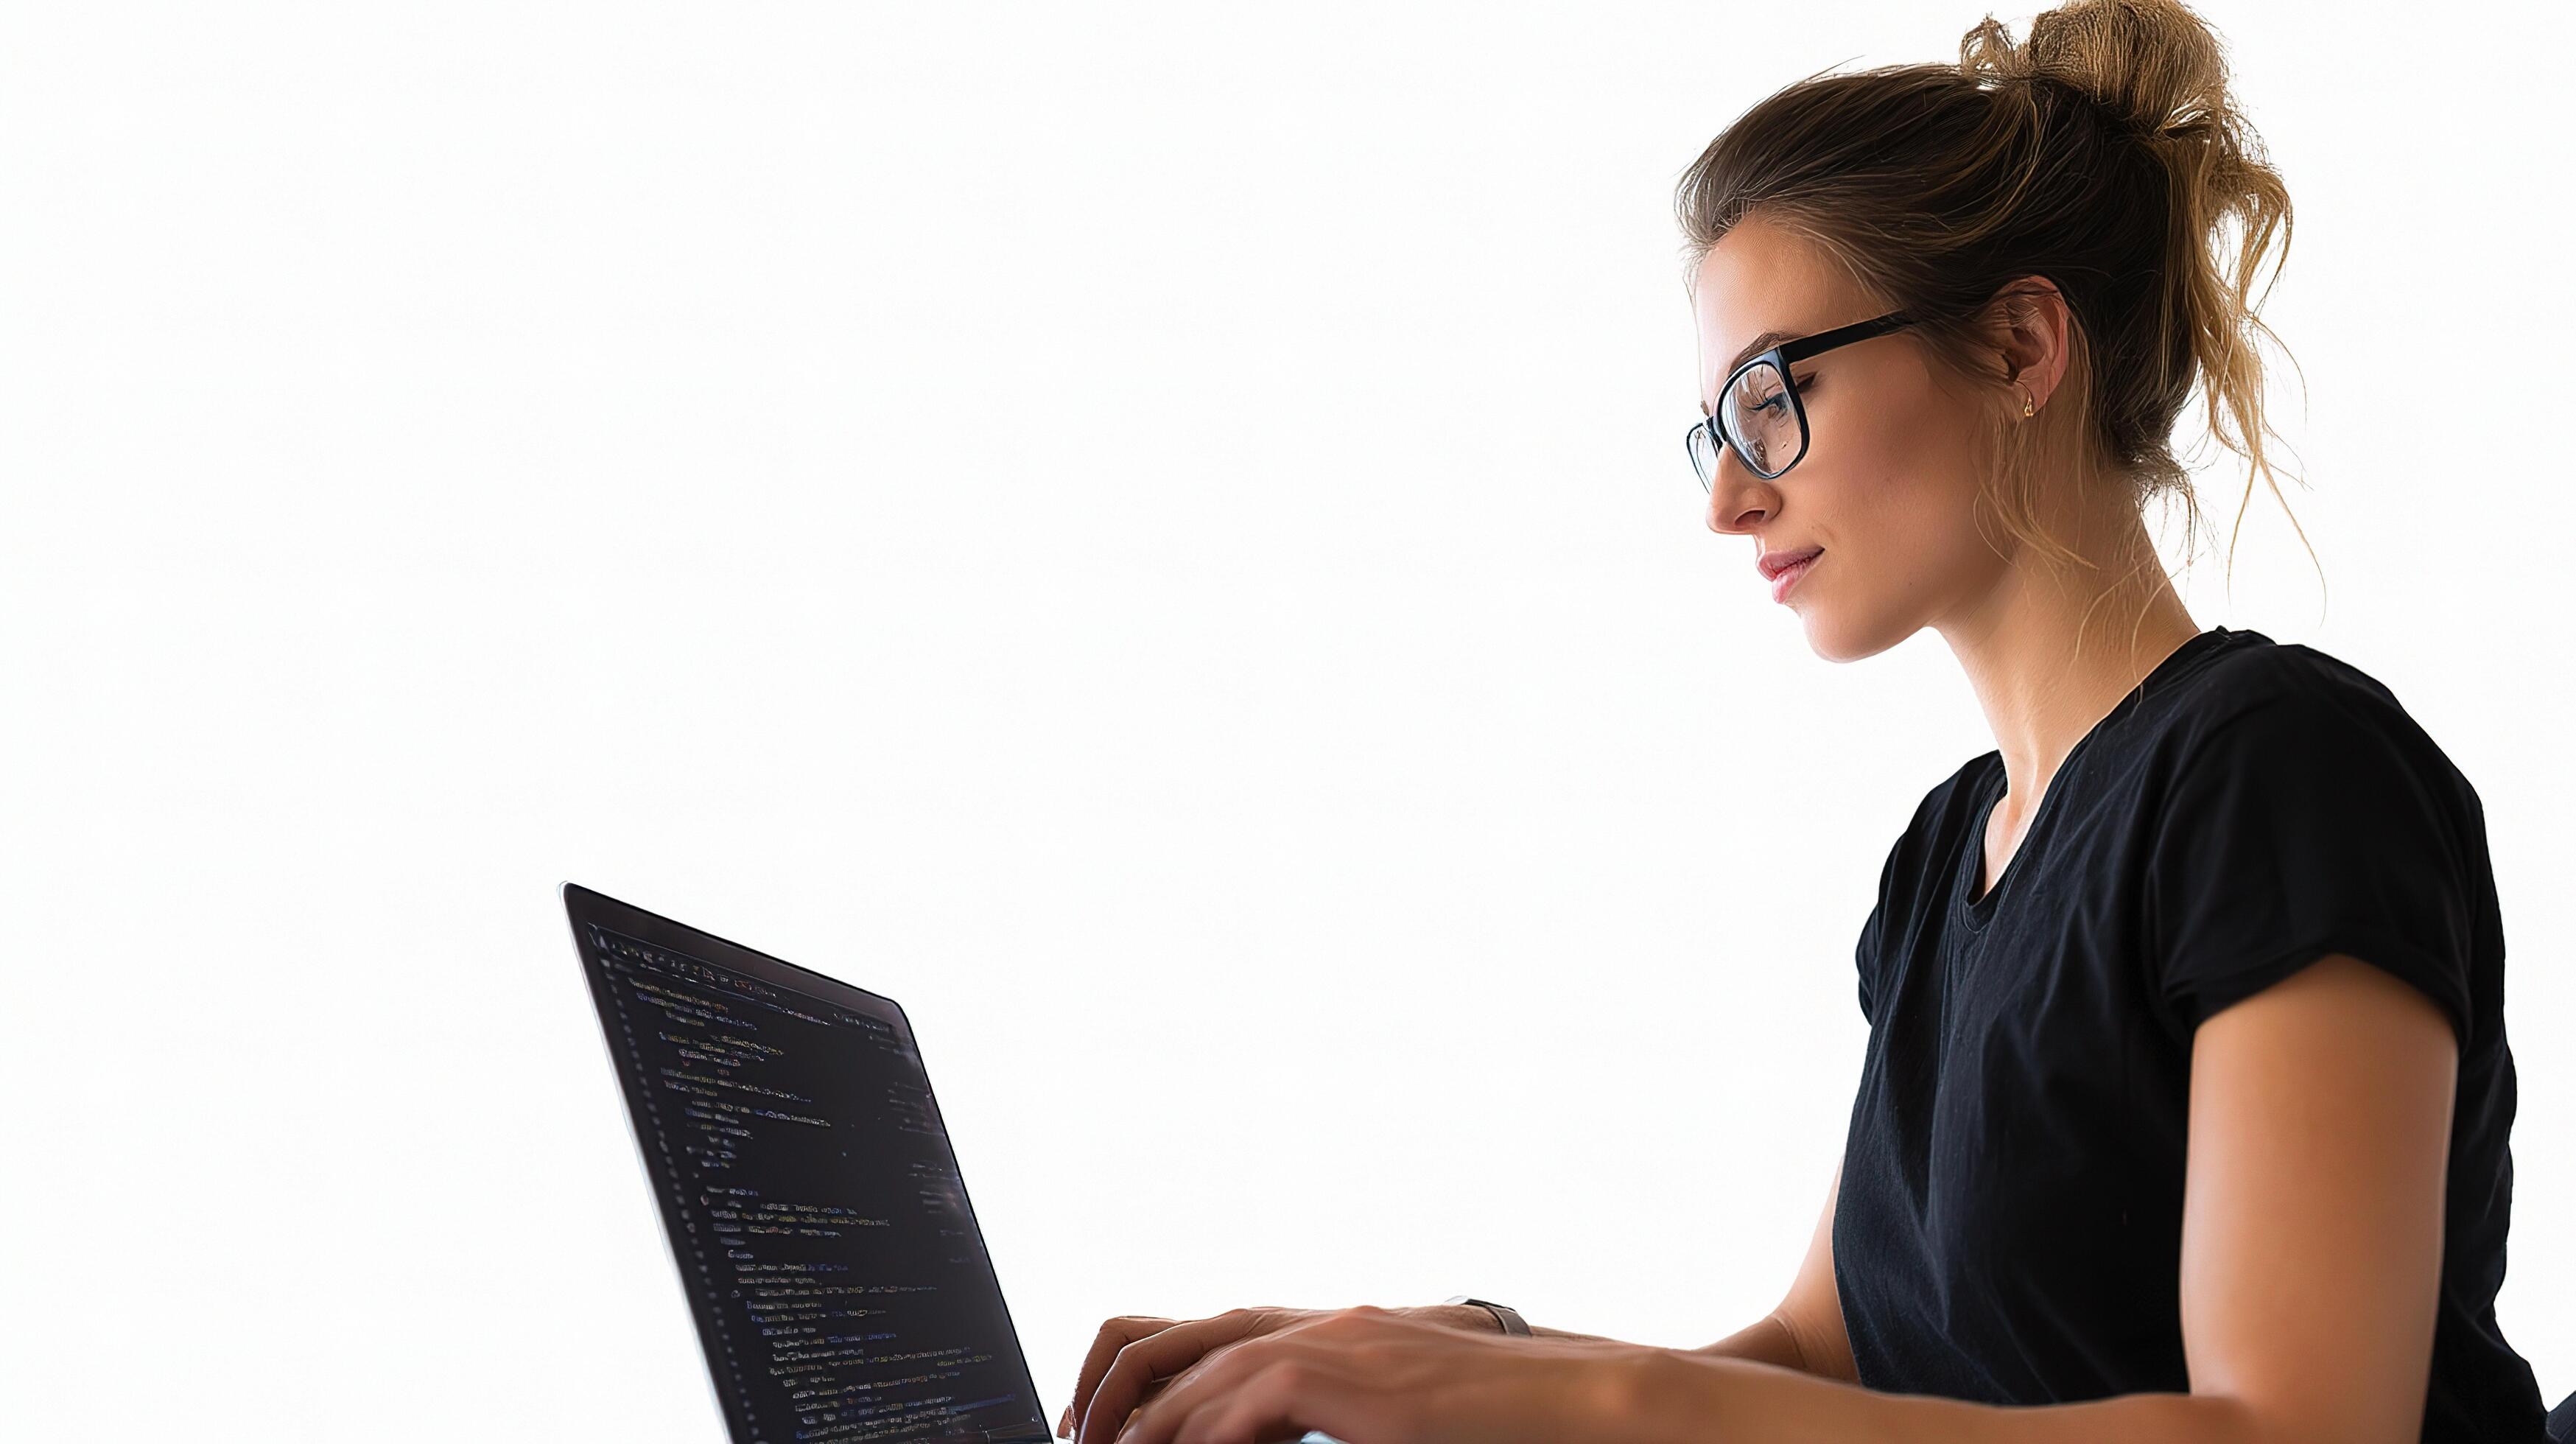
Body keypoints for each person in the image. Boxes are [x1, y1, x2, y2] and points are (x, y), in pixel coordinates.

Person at [1053, 1, 2564, 1440]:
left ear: (2023, 347)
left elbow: (2301, 1427)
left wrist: (1579, 1399)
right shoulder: (1941, 862)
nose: (1728, 496)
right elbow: (1819, 1355)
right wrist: (1432, 1345)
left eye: (1773, 395)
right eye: (1713, 429)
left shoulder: (2277, 770)